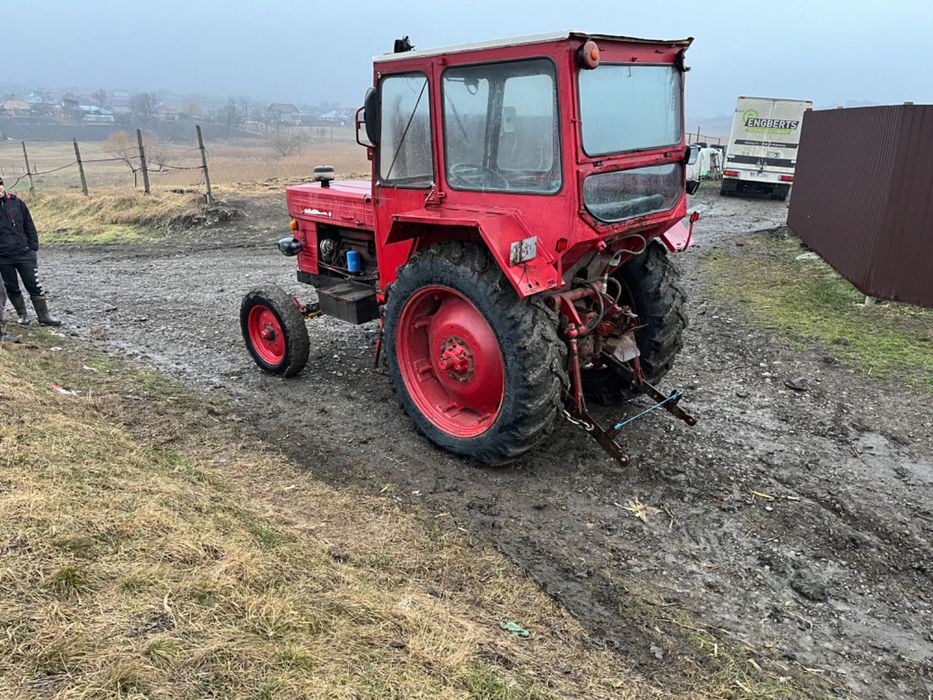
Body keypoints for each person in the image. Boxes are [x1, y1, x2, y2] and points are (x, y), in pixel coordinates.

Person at [0, 177, 61, 327]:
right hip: (3, 257)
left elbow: (29, 225)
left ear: (2, 185)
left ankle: (44, 316)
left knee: (34, 284)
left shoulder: (17, 203)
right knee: (12, 287)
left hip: (24, 253)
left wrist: (33, 246)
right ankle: (23, 316)